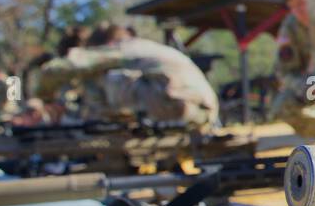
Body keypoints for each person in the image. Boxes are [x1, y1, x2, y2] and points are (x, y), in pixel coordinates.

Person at [33, 23, 220, 130]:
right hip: (204, 114)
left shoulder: (123, 48)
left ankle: (101, 121)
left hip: (176, 105)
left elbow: (57, 69)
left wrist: (44, 97)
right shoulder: (149, 47)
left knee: (95, 74)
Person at [268, 0, 315, 137]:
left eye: (302, 3)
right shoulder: (290, 27)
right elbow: (284, 71)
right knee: (283, 105)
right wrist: (304, 87)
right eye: (292, 7)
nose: (298, 12)